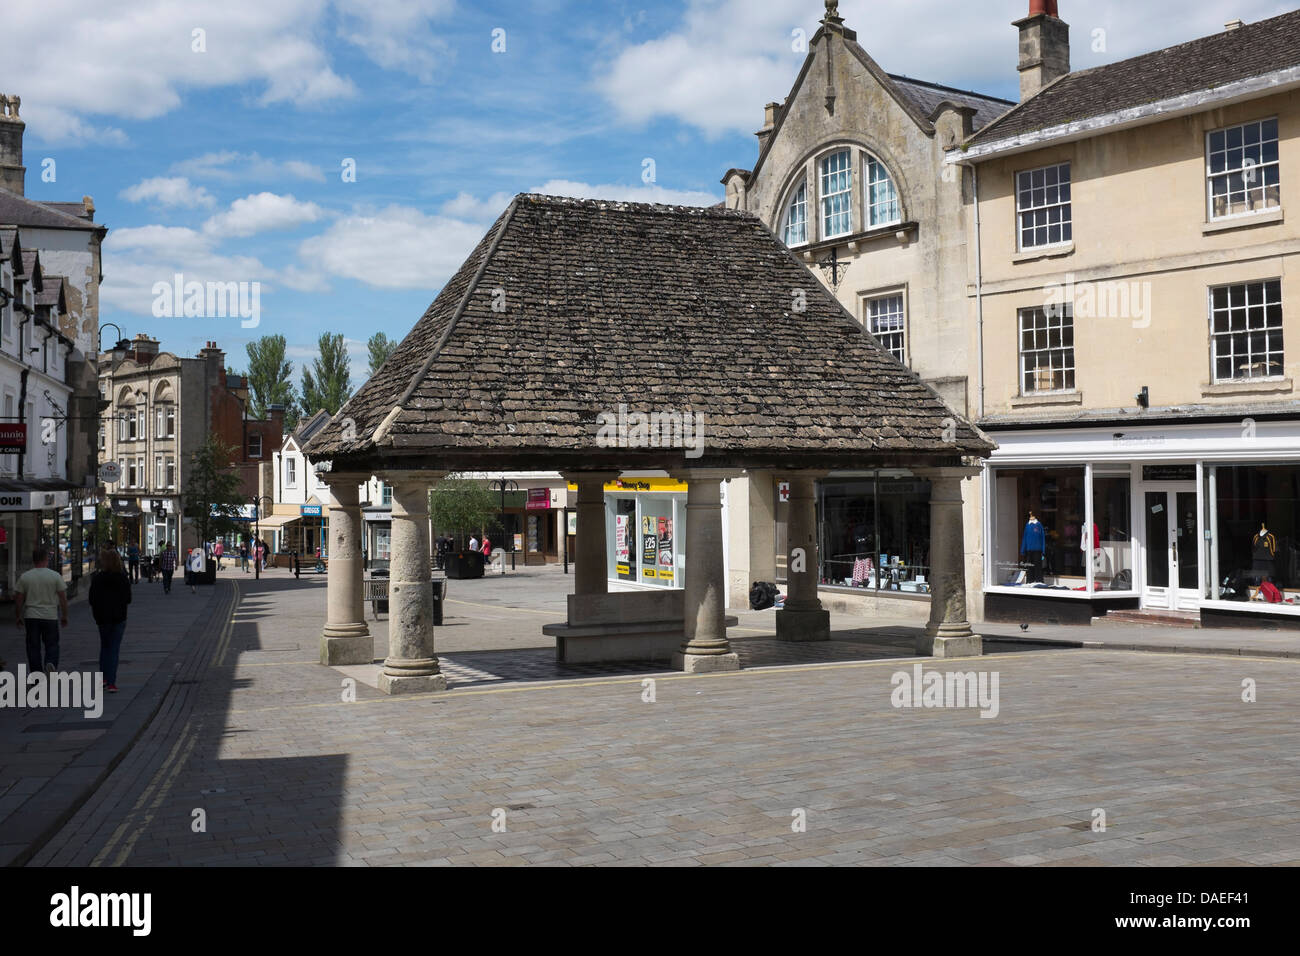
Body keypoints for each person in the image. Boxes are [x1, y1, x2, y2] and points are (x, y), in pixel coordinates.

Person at [14, 546, 69, 674]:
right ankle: (50, 662)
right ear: (46, 559)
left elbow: (19, 599)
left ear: (34, 560)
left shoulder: (25, 577)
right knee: (52, 644)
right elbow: (63, 598)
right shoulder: (55, 576)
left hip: (31, 616)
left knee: (33, 647)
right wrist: (65, 615)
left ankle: (37, 674)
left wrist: (18, 616)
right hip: (50, 616)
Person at [88, 548, 131, 693]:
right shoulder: (122, 578)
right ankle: (111, 683)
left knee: (105, 647)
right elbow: (128, 599)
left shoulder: (98, 578)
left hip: (102, 619)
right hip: (118, 618)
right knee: (113, 650)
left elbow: (92, 599)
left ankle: (104, 679)